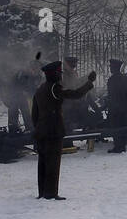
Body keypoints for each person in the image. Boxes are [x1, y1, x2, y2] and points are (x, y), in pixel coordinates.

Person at [31, 60, 96, 200]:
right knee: (53, 162)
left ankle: (42, 192)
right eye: (59, 73)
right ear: (54, 75)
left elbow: (34, 114)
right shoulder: (55, 88)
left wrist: (38, 127)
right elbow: (76, 94)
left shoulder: (40, 89)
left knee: (42, 162)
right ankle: (51, 193)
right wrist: (89, 83)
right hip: (53, 130)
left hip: (41, 130)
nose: (60, 76)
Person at [105, 59, 127, 153]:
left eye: (111, 67)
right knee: (122, 126)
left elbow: (111, 95)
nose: (110, 68)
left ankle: (118, 147)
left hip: (115, 108)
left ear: (114, 68)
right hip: (124, 107)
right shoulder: (125, 78)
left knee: (116, 128)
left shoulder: (111, 80)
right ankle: (122, 145)